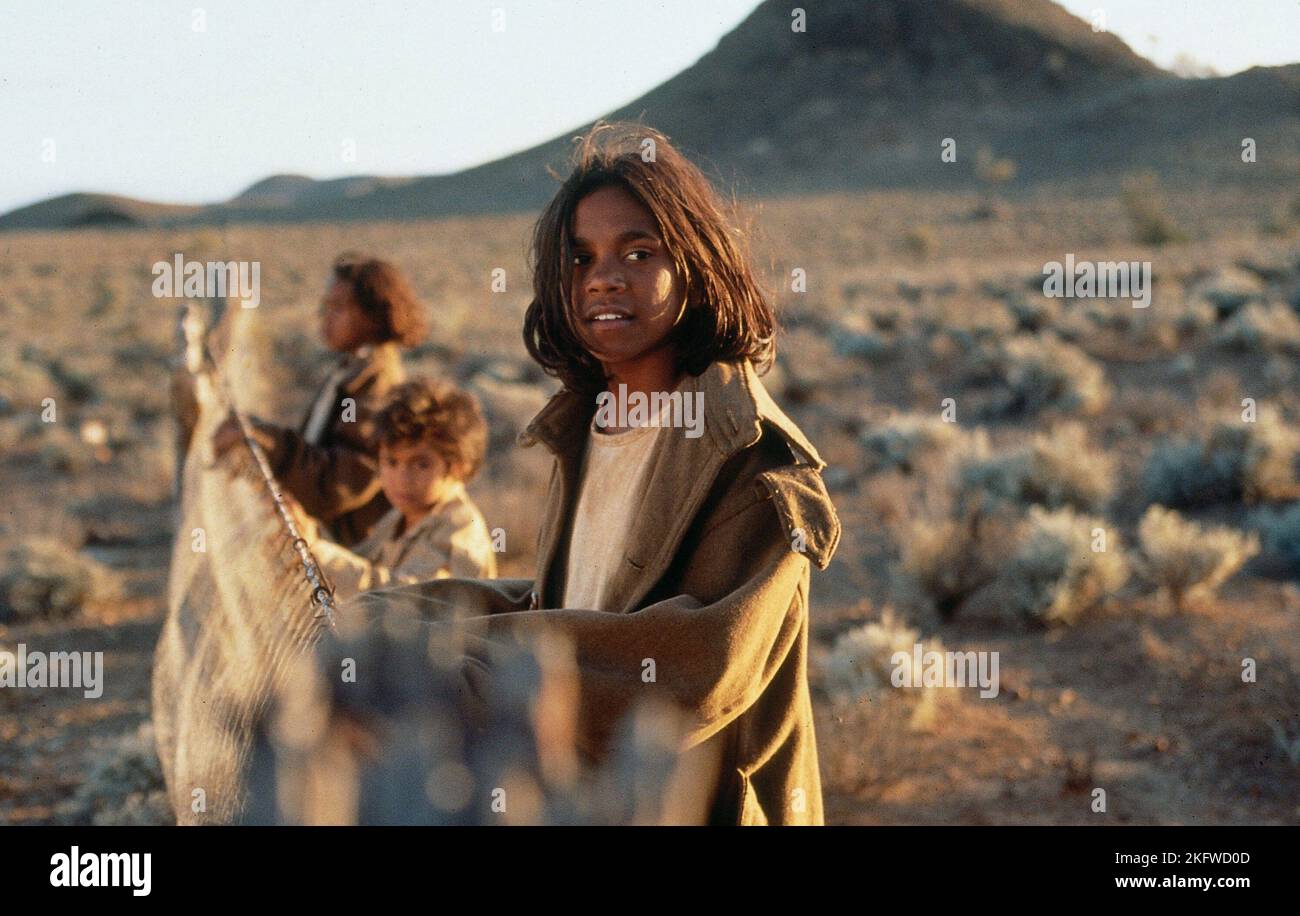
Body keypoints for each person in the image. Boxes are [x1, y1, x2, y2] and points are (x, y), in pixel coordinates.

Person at [348, 122, 841, 826]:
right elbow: (572, 606)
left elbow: (695, 667)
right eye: (581, 258)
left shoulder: (754, 460)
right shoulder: (587, 429)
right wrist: (399, 615)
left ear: (696, 265)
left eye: (638, 252)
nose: (604, 276)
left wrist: (460, 660)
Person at [213, 253, 426, 547]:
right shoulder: (354, 369)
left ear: (372, 315)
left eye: (338, 308)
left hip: (350, 552)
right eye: (325, 306)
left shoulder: (375, 386)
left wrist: (266, 441)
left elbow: (339, 481)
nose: (324, 316)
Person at [288, 378, 497, 601]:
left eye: (421, 464)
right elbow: (362, 562)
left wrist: (317, 551)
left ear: (457, 466)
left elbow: (405, 599)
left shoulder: (459, 530)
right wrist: (307, 533)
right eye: (391, 462)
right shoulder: (402, 515)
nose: (402, 478)